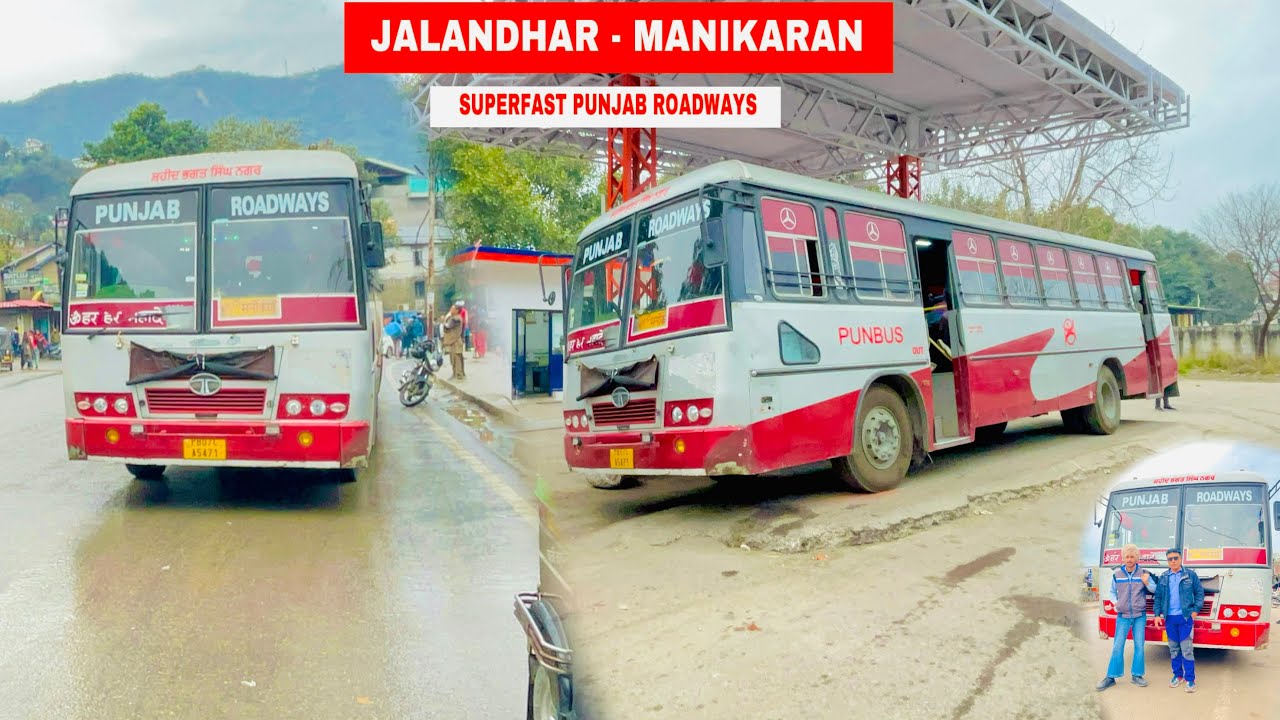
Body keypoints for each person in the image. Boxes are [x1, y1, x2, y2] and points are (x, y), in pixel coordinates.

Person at [1097, 544, 1156, 691]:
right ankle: (1111, 677)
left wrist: (1146, 582)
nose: (1129, 559)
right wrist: (1116, 603)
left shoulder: (1144, 573)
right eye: (1127, 557)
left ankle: (1137, 675)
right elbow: (1111, 592)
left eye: (1132, 556)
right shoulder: (1117, 574)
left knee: (1139, 646)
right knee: (1117, 646)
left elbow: (1155, 590)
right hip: (1122, 615)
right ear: (1123, 558)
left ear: (1137, 558)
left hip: (1139, 616)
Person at [1153, 547, 1203, 693]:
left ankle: (1190, 679)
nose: (1173, 561)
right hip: (1170, 619)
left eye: (1176, 558)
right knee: (1174, 650)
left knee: (1187, 650)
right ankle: (1178, 676)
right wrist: (1157, 615)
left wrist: (1194, 612)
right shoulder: (1164, 577)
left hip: (1185, 618)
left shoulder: (1190, 575)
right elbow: (1158, 598)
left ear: (1181, 559)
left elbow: (1199, 594)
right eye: (1170, 559)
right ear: (1167, 561)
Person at [442, 303, 466, 380]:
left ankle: (459, 375)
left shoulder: (456, 319)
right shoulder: (454, 317)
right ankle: (456, 374)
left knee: (457, 359)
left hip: (456, 342)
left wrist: (443, 320)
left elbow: (448, 326)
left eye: (452, 309)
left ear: (457, 310)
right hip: (453, 342)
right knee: (453, 359)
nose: (450, 310)